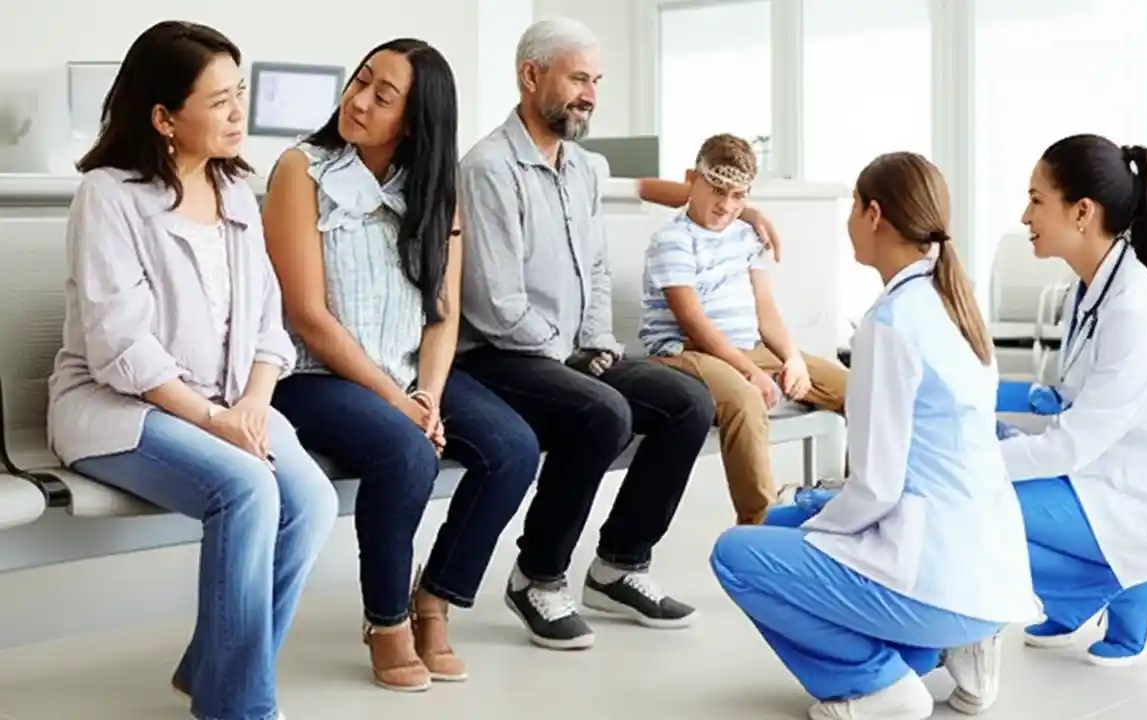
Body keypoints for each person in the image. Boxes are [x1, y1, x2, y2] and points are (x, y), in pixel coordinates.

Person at [47, 21, 336, 720]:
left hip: (230, 405)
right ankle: (239, 706)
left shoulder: (237, 191)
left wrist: (252, 408)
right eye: (220, 101)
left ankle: (213, 668)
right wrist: (216, 421)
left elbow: (271, 324)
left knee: (313, 501)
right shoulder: (108, 196)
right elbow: (120, 346)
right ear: (163, 116)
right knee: (248, 488)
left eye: (240, 93)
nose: (241, 113)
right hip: (121, 407)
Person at [711, 152, 1038, 720]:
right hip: (992, 574)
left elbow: (877, 489)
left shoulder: (890, 324)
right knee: (783, 523)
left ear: (873, 214)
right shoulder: (955, 305)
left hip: (936, 577)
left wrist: (817, 523)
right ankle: (956, 648)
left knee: (737, 553)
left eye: (853, 209)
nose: (848, 223)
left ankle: (878, 686)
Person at [262, 39, 540, 691]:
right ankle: (385, 622)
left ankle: (434, 600)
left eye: (381, 95)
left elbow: (441, 314)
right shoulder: (300, 171)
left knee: (513, 448)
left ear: (414, 121)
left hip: (410, 378)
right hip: (311, 378)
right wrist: (397, 399)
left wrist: (431, 396)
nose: (357, 100)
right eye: (359, 81)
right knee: (406, 453)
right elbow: (305, 313)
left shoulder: (437, 191)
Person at [454, 17, 716, 651]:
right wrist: (572, 359)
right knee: (602, 413)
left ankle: (619, 565)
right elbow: (495, 304)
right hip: (497, 355)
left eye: (595, 80)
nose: (590, 93)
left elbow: (596, 268)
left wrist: (596, 342)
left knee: (689, 403)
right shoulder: (489, 167)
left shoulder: (585, 169)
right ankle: (537, 577)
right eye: (578, 78)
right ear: (530, 76)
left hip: (571, 350)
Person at [998, 134, 1147, 666]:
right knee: (989, 458)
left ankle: (1127, 582)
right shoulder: (1089, 289)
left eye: (1036, 199)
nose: (1024, 214)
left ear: (1082, 212)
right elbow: (1069, 398)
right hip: (1111, 471)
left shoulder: (1137, 310)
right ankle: (1096, 586)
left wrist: (969, 461)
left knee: (975, 499)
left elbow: (1069, 446)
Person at [640, 133, 848, 526]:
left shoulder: (745, 235)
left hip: (743, 347)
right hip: (683, 352)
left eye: (739, 196)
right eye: (718, 190)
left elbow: (765, 312)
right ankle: (760, 526)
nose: (726, 205)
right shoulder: (672, 239)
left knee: (859, 390)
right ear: (692, 179)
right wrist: (751, 372)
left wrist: (792, 358)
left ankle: (856, 514)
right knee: (745, 398)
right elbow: (695, 324)